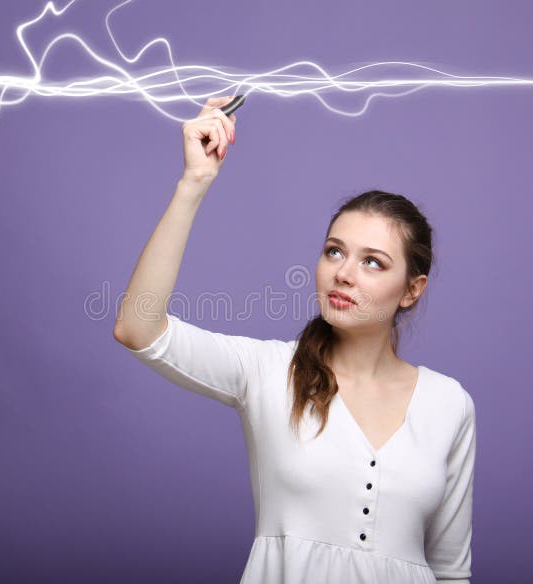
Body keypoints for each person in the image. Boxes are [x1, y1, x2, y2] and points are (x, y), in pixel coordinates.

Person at [113, 96, 476, 583]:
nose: (344, 273)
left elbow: (452, 572)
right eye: (334, 251)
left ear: (412, 290)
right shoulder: (267, 373)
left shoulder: (449, 403)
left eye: (373, 262)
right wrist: (193, 184)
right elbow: (139, 328)